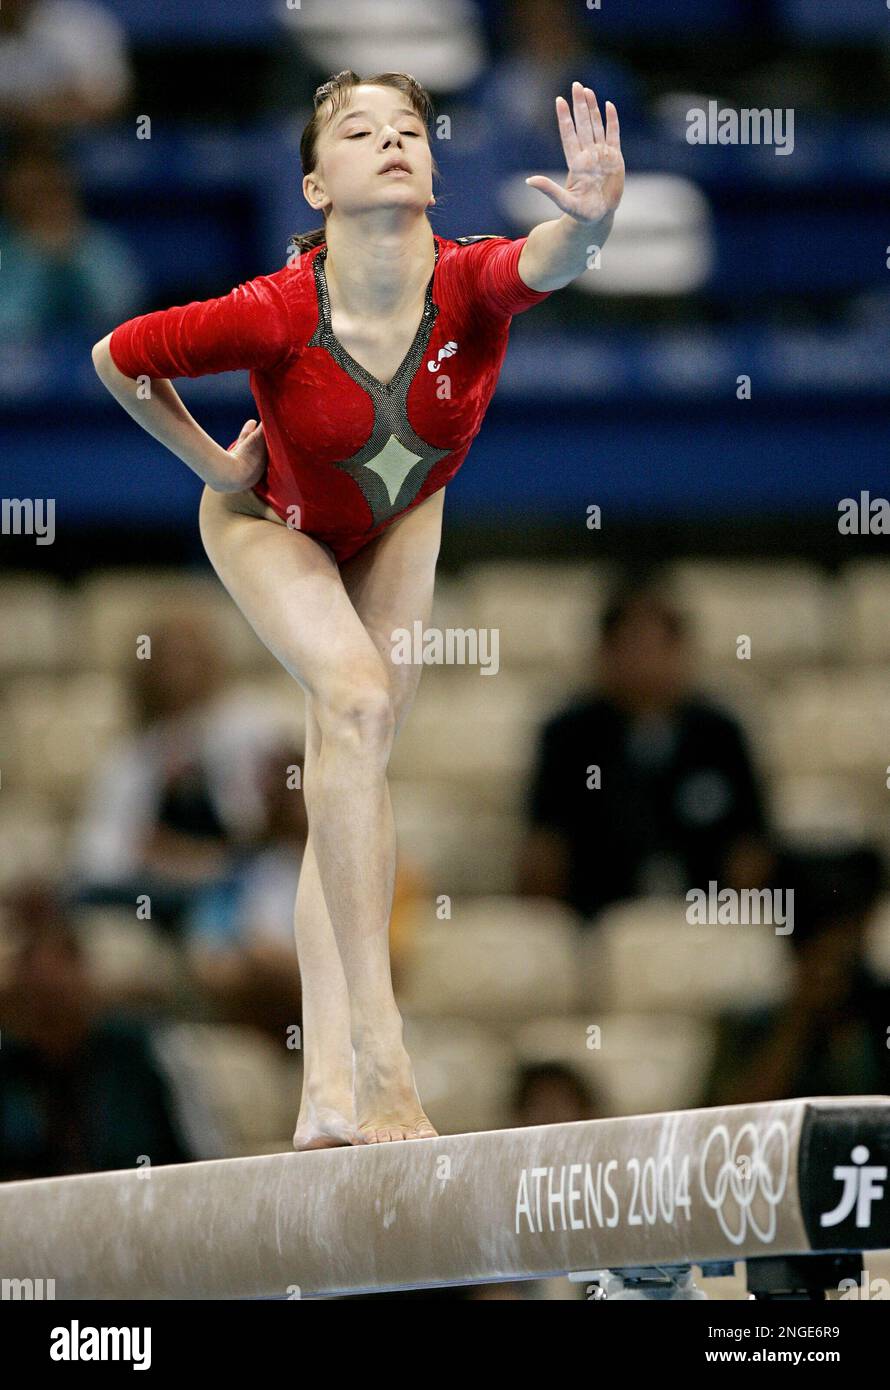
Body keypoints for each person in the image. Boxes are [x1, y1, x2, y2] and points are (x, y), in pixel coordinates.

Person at [91, 69, 625, 1148]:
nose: (389, 141)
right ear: (312, 185)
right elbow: (118, 356)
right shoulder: (274, 310)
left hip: (403, 518)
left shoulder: (469, 284)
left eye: (409, 130)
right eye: (355, 129)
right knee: (355, 704)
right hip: (268, 525)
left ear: (432, 171)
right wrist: (210, 459)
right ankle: (381, 1063)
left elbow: (548, 258)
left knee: (354, 757)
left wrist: (596, 218)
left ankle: (323, 1088)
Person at [519, 577, 773, 922]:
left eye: (659, 648)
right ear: (605, 654)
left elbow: (751, 848)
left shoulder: (721, 734)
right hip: (598, 921)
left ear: (681, 652)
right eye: (632, 649)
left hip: (707, 916)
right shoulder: (567, 736)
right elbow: (545, 851)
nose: (646, 664)